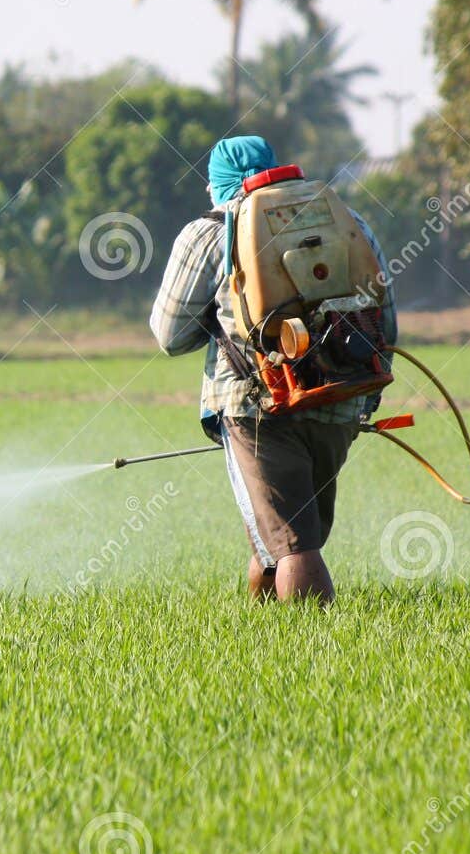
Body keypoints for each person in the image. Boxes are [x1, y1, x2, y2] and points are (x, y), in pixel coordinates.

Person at [149, 135, 397, 603]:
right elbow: (385, 320)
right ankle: (265, 640)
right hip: (341, 395)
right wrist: (365, 399)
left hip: (257, 403)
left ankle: (315, 657)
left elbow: (169, 335)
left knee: (294, 544)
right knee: (279, 535)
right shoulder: (347, 219)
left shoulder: (210, 231)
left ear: (218, 186)